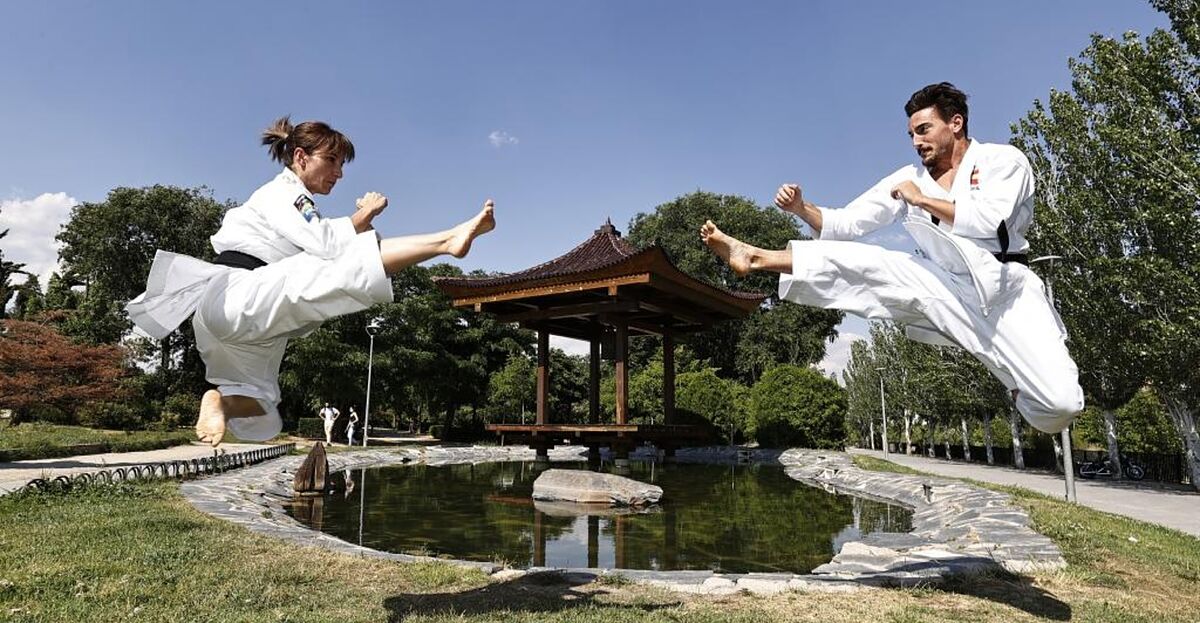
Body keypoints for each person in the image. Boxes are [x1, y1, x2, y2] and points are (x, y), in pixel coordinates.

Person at [700, 82, 1083, 434]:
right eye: (911, 134)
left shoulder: (1003, 160)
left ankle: (1017, 389)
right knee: (876, 266)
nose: (916, 141)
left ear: (956, 122)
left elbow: (989, 219)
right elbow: (847, 223)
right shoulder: (908, 176)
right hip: (943, 282)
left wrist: (922, 200)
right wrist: (802, 208)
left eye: (924, 130)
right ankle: (755, 258)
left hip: (1007, 286)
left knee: (1062, 405)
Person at [126, 116, 495, 447]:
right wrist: (362, 215)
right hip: (238, 294)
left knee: (263, 416)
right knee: (346, 267)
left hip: (241, 323)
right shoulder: (287, 192)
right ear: (301, 157)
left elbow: (321, 243)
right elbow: (324, 243)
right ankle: (448, 240)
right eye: (331, 161)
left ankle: (219, 401)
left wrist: (359, 222)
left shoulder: (295, 202)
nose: (339, 172)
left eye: (341, 164)